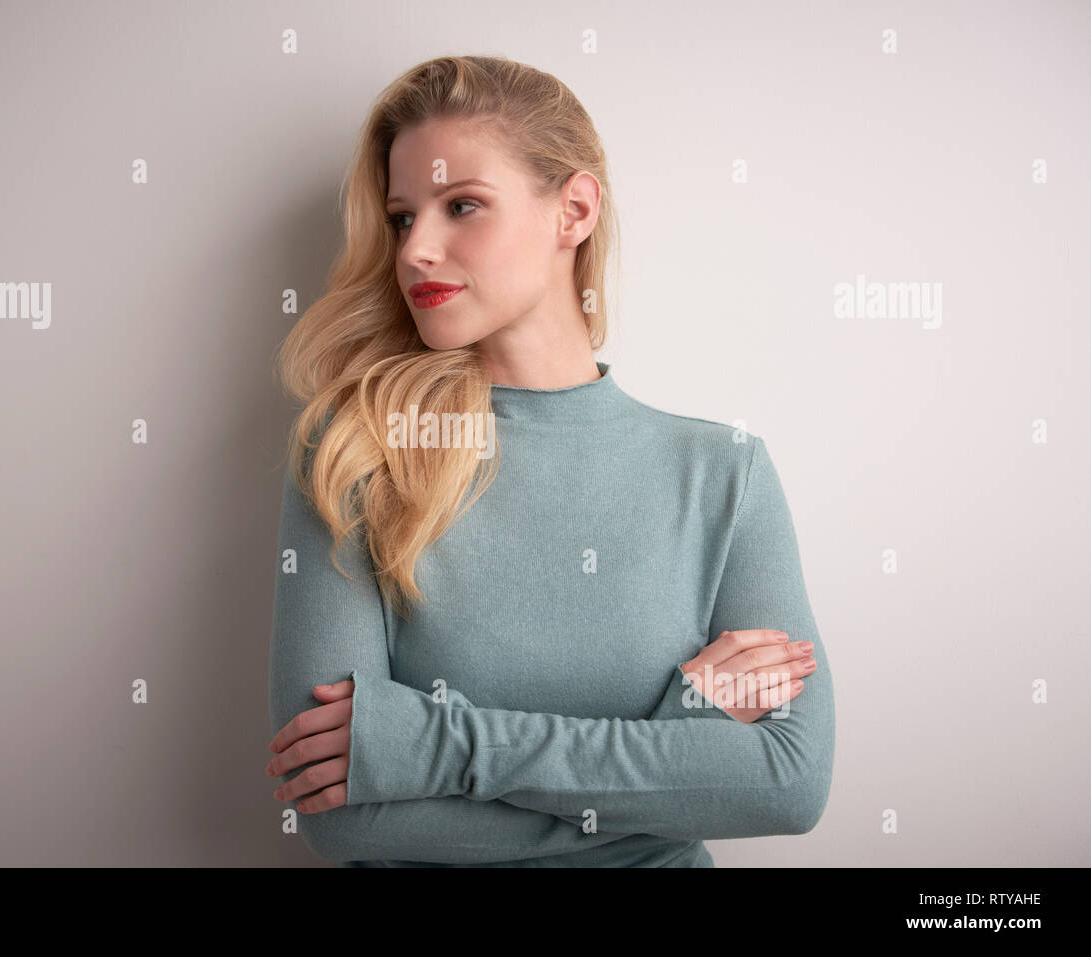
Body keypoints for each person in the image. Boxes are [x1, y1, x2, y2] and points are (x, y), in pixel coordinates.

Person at [265, 55, 835, 867]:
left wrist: (438, 742)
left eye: (462, 205)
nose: (417, 248)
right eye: (401, 217)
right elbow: (338, 816)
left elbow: (786, 784)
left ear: (573, 210)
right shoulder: (356, 454)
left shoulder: (723, 473)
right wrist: (676, 754)